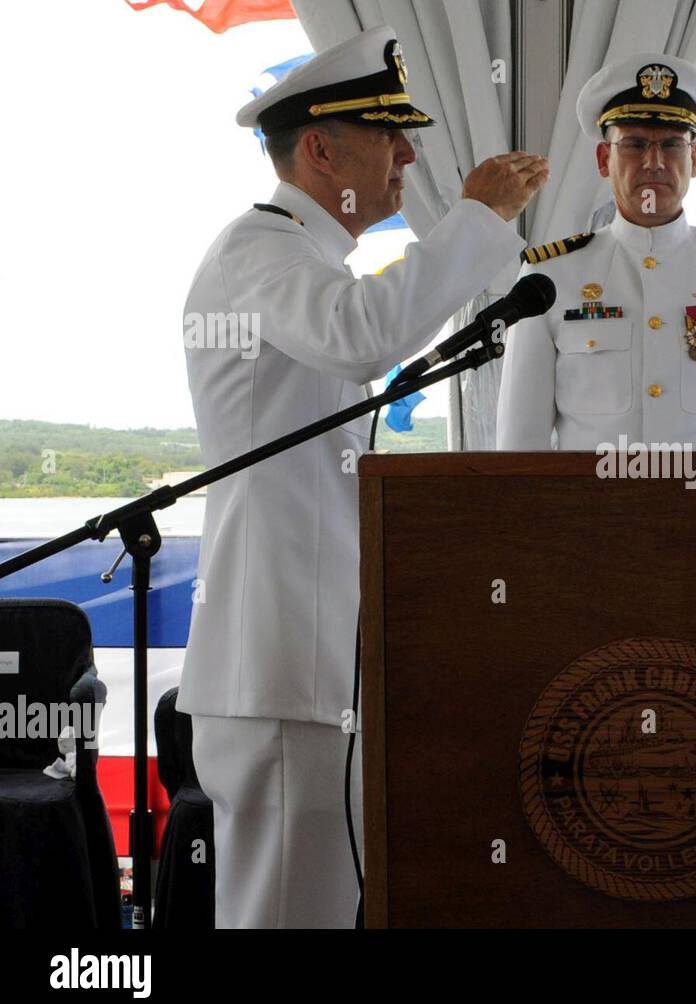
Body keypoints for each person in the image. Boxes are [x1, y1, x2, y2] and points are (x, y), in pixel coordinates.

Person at [180, 26, 547, 928]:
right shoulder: (256, 252)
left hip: (315, 660)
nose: (409, 157)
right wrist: (476, 220)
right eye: (390, 136)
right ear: (319, 149)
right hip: (279, 658)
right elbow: (360, 336)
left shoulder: (303, 261)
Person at [496, 53, 696, 451]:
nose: (655, 161)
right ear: (603, 160)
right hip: (594, 511)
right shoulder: (549, 279)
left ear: (693, 160)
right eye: (635, 144)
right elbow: (520, 443)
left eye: (673, 145)